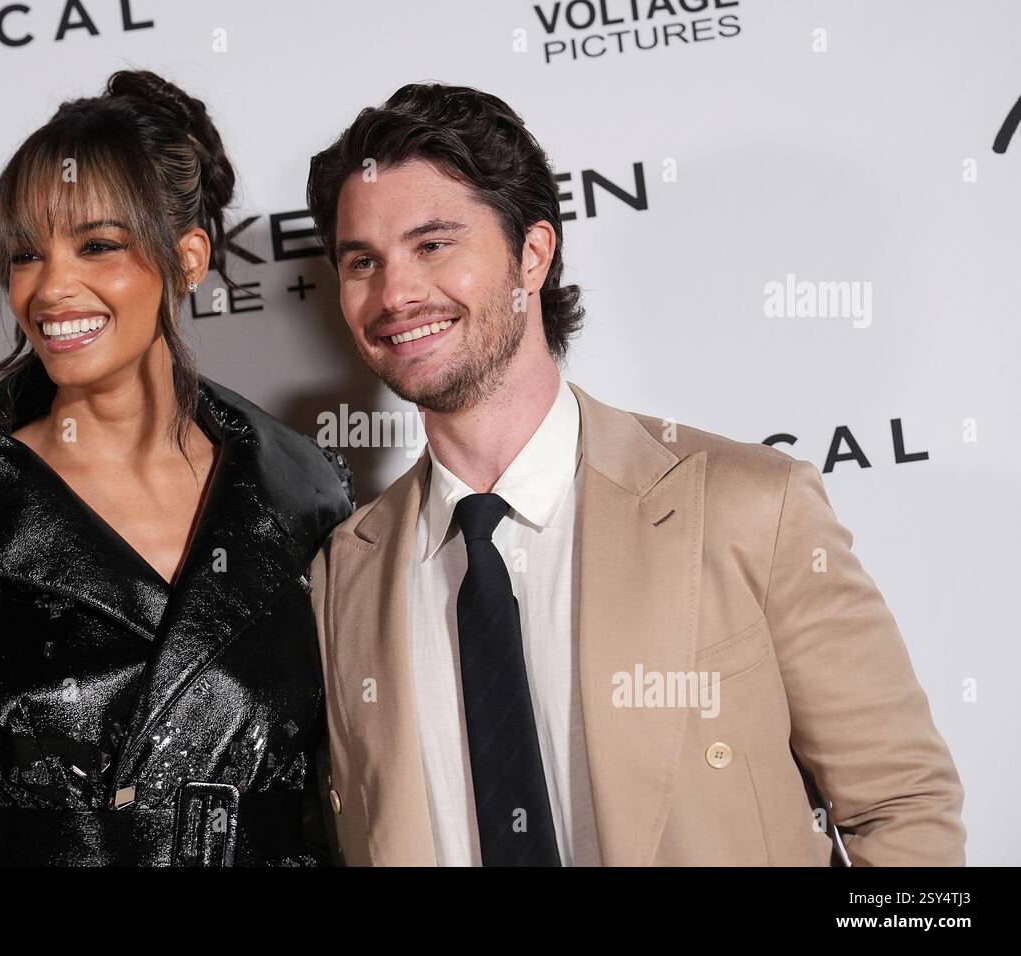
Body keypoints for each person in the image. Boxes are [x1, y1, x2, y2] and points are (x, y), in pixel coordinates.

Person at [303, 82, 966, 866]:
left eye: (434, 244)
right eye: (362, 262)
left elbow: (903, 810)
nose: (396, 293)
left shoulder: (748, 505)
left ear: (532, 255)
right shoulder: (343, 575)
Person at [0, 69, 354, 866]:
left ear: (189, 256)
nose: (52, 288)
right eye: (26, 254)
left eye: (98, 245)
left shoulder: (307, 497)